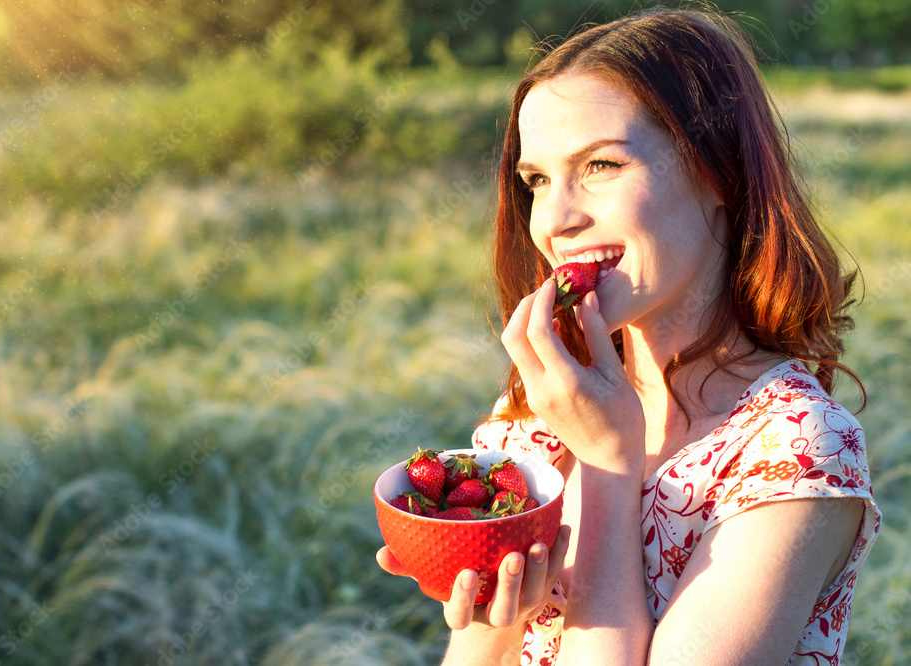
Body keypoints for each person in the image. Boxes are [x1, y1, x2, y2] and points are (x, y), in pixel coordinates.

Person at [377, 6, 881, 664]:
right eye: (536, 180)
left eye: (602, 166)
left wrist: (611, 465)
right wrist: (496, 621)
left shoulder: (794, 448)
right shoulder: (539, 417)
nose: (553, 221)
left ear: (718, 169)